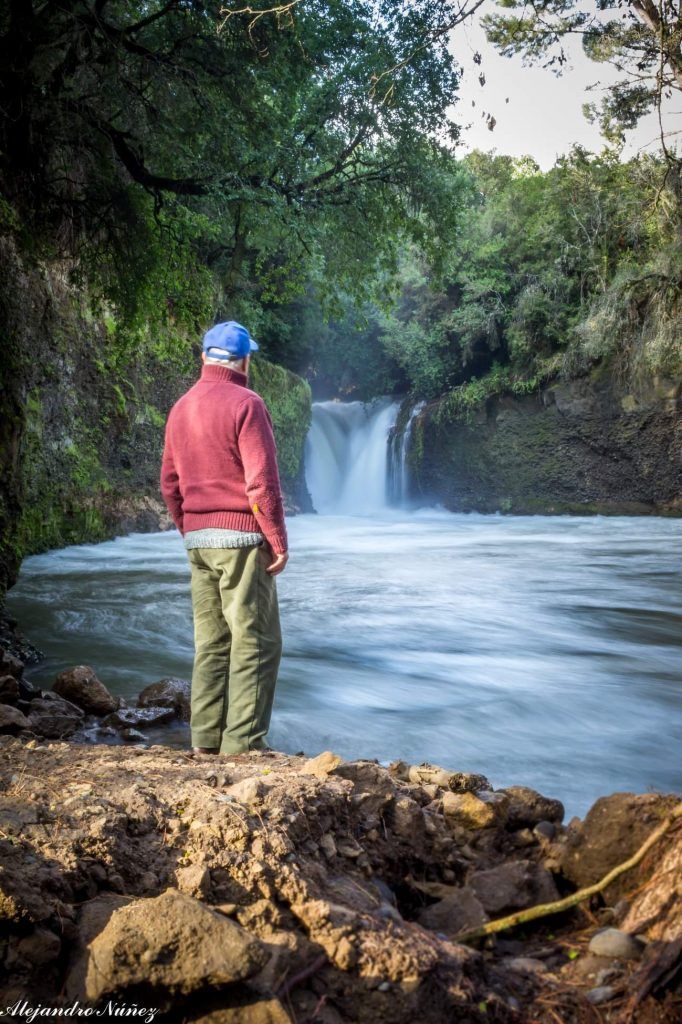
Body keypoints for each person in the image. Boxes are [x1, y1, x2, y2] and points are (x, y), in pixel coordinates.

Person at [160, 320, 289, 756]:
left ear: (203, 357)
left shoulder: (181, 407)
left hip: (198, 541)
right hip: (241, 541)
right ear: (245, 360)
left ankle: (204, 742)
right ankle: (244, 745)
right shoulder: (247, 403)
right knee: (256, 642)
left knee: (211, 644)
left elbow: (169, 483)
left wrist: (190, 528)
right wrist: (277, 538)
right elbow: (262, 483)